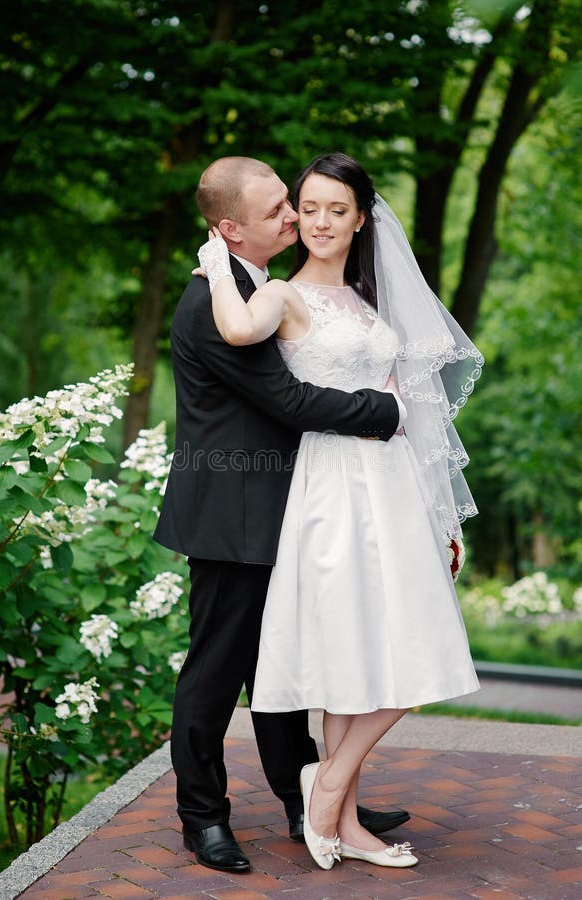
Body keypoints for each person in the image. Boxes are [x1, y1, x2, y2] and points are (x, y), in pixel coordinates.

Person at [198, 151, 484, 870]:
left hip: (391, 486)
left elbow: (414, 412)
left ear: (362, 218)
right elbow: (236, 330)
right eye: (310, 207)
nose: (320, 222)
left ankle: (333, 805)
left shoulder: (368, 302)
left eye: (336, 209)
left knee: (404, 647)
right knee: (352, 654)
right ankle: (329, 794)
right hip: (330, 487)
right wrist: (212, 253)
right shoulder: (284, 296)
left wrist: (438, 514)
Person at [154, 156, 411, 874]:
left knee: (284, 663)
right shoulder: (215, 298)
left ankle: (310, 805)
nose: (294, 218)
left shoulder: (256, 286)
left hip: (283, 505)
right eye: (278, 211)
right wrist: (386, 410)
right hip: (233, 512)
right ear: (231, 229)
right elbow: (290, 403)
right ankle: (202, 818)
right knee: (215, 673)